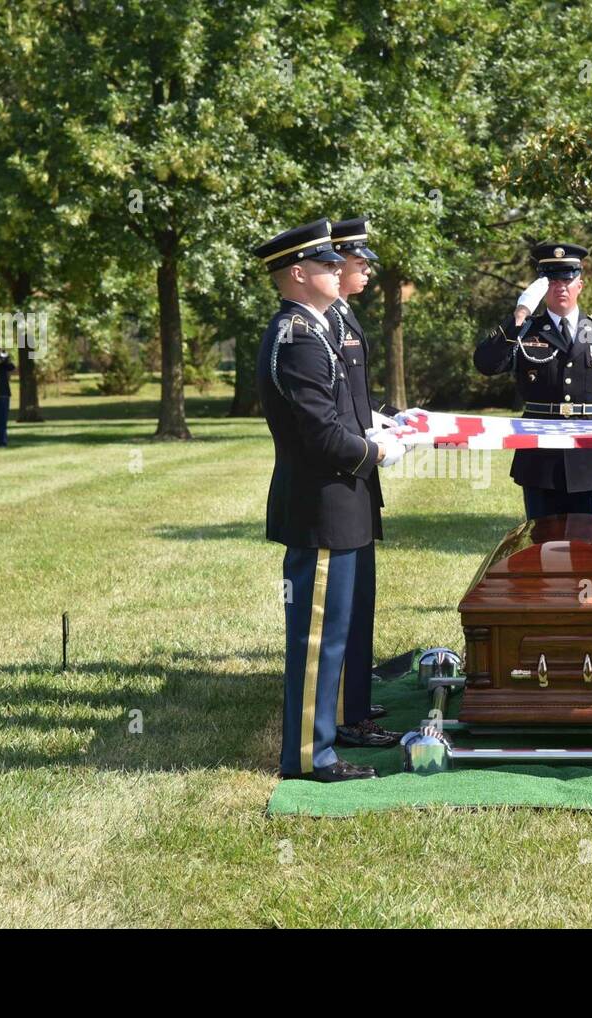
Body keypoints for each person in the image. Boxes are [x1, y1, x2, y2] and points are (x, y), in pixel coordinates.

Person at [254, 218, 409, 783]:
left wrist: (376, 434)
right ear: (298, 274)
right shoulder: (296, 336)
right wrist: (375, 453)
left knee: (337, 628)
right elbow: (319, 432)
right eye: (325, 265)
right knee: (318, 634)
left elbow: (340, 412)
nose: (337, 270)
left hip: (340, 499)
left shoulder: (315, 328)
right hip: (321, 503)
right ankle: (307, 755)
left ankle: (326, 735)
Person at [473, 242, 592, 520]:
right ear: (540, 287)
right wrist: (519, 314)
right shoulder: (526, 330)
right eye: (551, 280)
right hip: (540, 460)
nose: (560, 286)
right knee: (542, 552)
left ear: (580, 285)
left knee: (590, 551)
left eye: (567, 278)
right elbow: (486, 364)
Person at [326, 216, 403, 749]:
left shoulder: (344, 318)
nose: (367, 271)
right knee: (345, 604)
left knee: (362, 600)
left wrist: (394, 414)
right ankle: (344, 710)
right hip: (343, 472)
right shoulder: (325, 322)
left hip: (358, 472)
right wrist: (372, 438)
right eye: (359, 263)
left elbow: (357, 398)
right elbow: (333, 410)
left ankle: (354, 699)